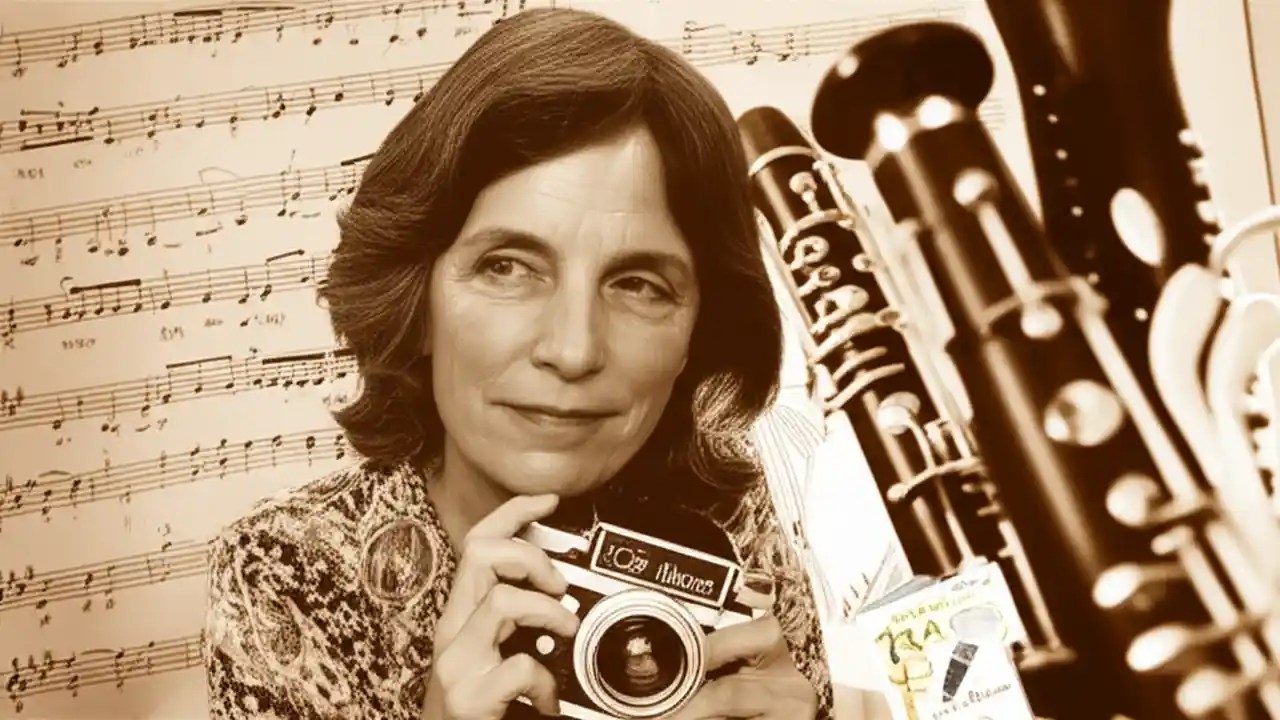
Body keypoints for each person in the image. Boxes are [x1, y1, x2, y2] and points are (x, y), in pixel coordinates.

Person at [204, 7, 880, 719]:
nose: (573, 349)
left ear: (697, 337)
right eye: (507, 267)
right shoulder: (289, 572)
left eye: (639, 284)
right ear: (415, 298)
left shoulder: (735, 527)